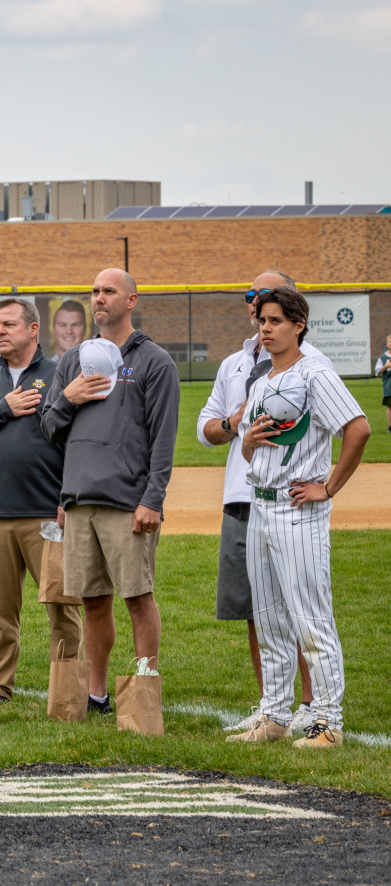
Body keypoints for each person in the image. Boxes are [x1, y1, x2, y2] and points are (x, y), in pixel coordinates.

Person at [229, 286, 369, 748]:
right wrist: (247, 443)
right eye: (262, 321)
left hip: (297, 509)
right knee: (269, 619)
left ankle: (328, 721)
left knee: (310, 618)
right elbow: (250, 446)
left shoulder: (314, 373)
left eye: (275, 321)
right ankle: (273, 715)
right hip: (261, 504)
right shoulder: (266, 379)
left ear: (298, 324)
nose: (265, 329)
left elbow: (358, 427)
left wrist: (327, 486)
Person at [40, 268, 179, 715]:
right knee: (93, 601)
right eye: (95, 291)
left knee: (137, 598)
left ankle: (143, 691)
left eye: (109, 291)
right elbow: (49, 427)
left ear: (132, 300)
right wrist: (71, 396)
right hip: (79, 501)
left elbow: (163, 439)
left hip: (128, 502)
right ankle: (97, 694)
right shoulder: (72, 360)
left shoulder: (155, 361)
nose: (99, 298)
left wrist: (152, 499)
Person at [197, 270, 326, 734]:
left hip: (288, 499)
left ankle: (313, 706)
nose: (258, 306)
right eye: (252, 296)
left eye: (270, 301)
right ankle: (273, 706)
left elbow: (346, 424)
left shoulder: (310, 363)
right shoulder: (235, 363)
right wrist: (235, 425)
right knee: (257, 609)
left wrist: (324, 486)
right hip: (241, 497)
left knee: (299, 606)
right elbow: (205, 428)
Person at [0, 298, 84, 705]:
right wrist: (3, 410)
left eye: (9, 324)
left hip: (48, 512)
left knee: (62, 607)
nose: (0, 332)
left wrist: (69, 499)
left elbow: (76, 441)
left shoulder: (59, 374)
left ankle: (68, 686)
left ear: (33, 329)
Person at [375, 333, 391, 434]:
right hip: (389, 386)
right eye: (390, 342)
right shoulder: (382, 358)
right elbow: (377, 372)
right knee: (390, 407)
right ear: (387, 344)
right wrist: (386, 366)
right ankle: (390, 427)